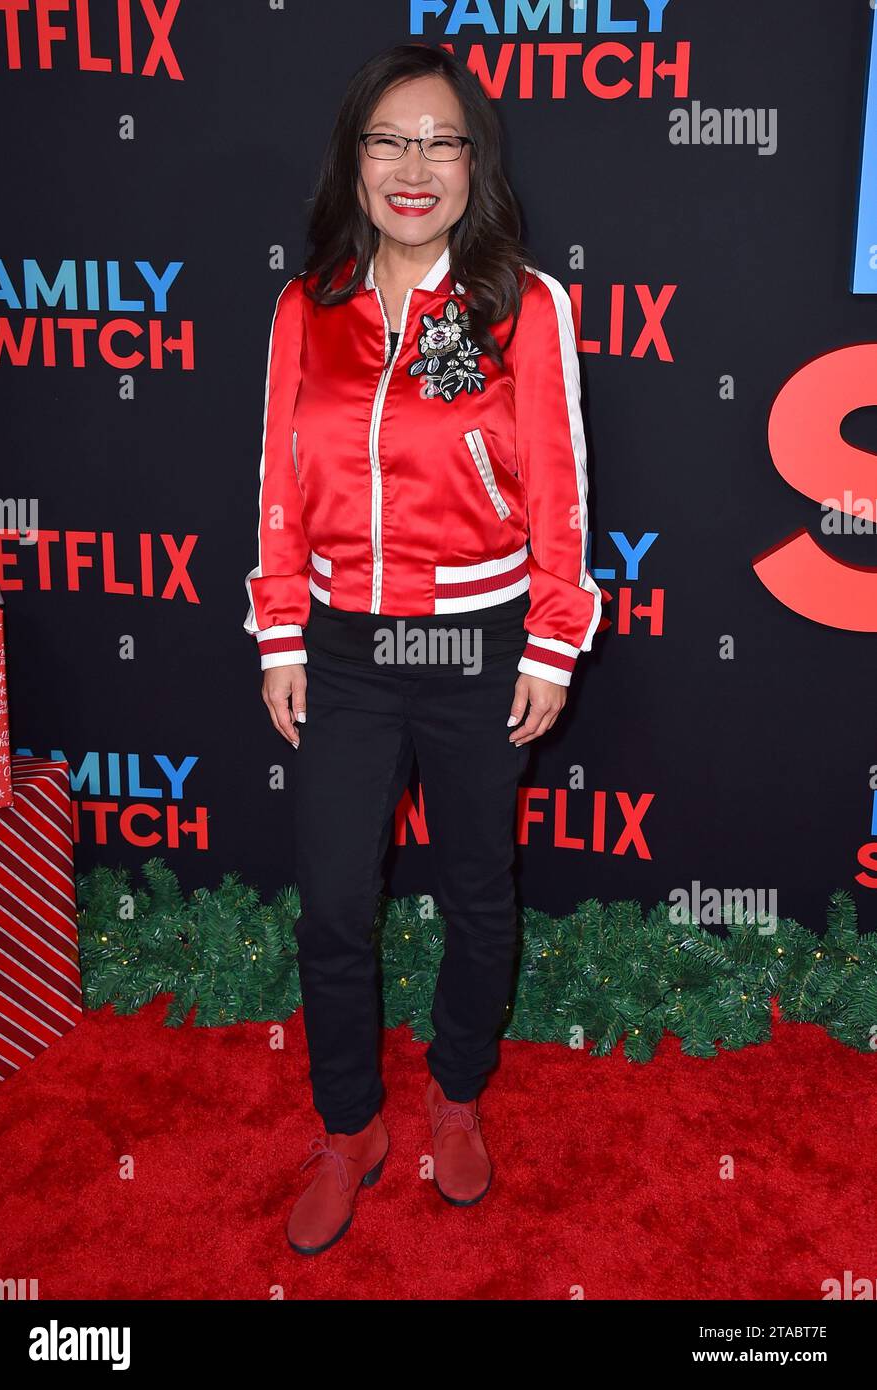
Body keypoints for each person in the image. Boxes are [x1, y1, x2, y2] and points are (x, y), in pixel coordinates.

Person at [243, 43, 602, 1256]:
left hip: (478, 646)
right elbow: (277, 485)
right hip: (343, 646)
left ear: (472, 163)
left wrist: (550, 646)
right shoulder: (310, 304)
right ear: (354, 161)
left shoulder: (521, 304)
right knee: (335, 904)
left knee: (476, 895)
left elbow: (559, 489)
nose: (413, 166)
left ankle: (455, 1096)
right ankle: (348, 1127)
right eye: (387, 140)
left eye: (439, 142)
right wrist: (280, 628)